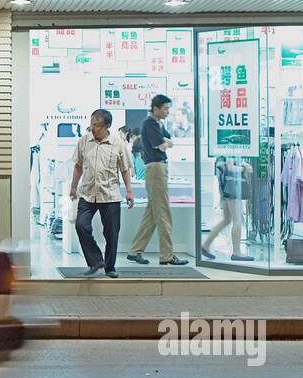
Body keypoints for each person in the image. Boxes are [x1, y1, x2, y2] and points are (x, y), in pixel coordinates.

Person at [69, 109, 134, 278]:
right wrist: (73, 187)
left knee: (112, 233)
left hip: (110, 194)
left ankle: (109, 267)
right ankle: (96, 260)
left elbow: (125, 169)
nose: (93, 128)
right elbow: (78, 166)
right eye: (92, 124)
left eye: (97, 125)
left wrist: (128, 191)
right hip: (87, 193)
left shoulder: (118, 144)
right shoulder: (83, 141)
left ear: (107, 126)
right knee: (81, 226)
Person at [128, 95, 189, 266]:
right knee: (163, 212)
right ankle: (167, 255)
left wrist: (165, 142)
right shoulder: (149, 124)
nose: (167, 111)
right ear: (155, 108)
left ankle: (135, 251)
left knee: (152, 213)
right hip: (156, 169)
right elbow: (161, 145)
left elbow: (169, 142)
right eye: (165, 108)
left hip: (158, 168)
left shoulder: (158, 124)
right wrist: (165, 142)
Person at [202, 157, 255, 261]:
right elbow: (230, 168)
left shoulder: (222, 154)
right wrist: (244, 168)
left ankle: (205, 245)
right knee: (237, 219)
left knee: (226, 220)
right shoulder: (229, 151)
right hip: (232, 188)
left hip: (226, 188)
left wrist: (244, 166)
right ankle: (236, 252)